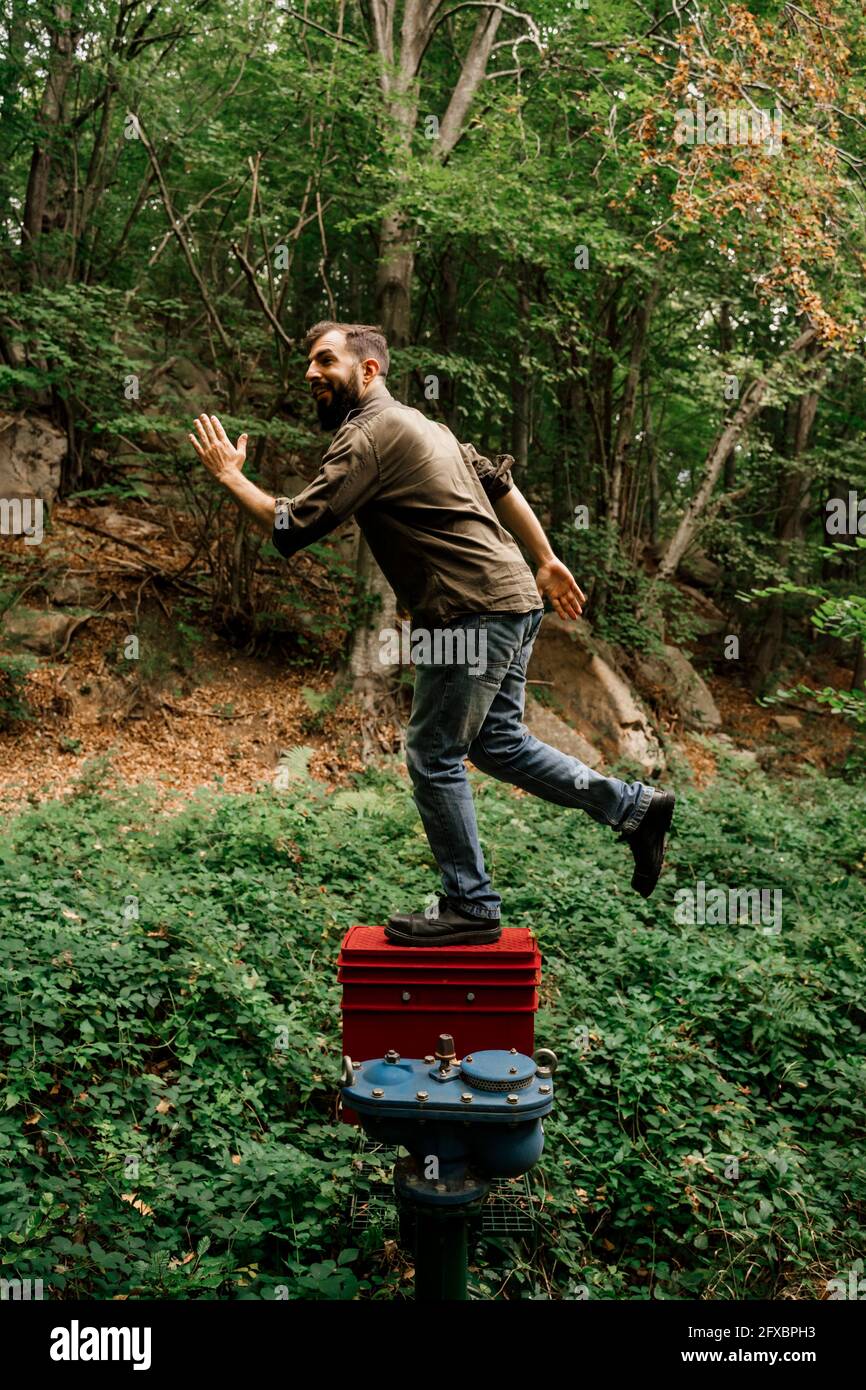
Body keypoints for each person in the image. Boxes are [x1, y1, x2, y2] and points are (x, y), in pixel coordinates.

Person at [189, 320, 675, 946]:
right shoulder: (427, 427)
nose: (311, 373)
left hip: (471, 609)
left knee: (431, 751)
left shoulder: (368, 434)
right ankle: (632, 807)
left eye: (325, 361)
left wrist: (231, 475)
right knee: (495, 743)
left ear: (368, 371)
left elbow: (292, 527)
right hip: (510, 600)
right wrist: (545, 559)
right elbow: (499, 483)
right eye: (308, 363)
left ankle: (470, 905)